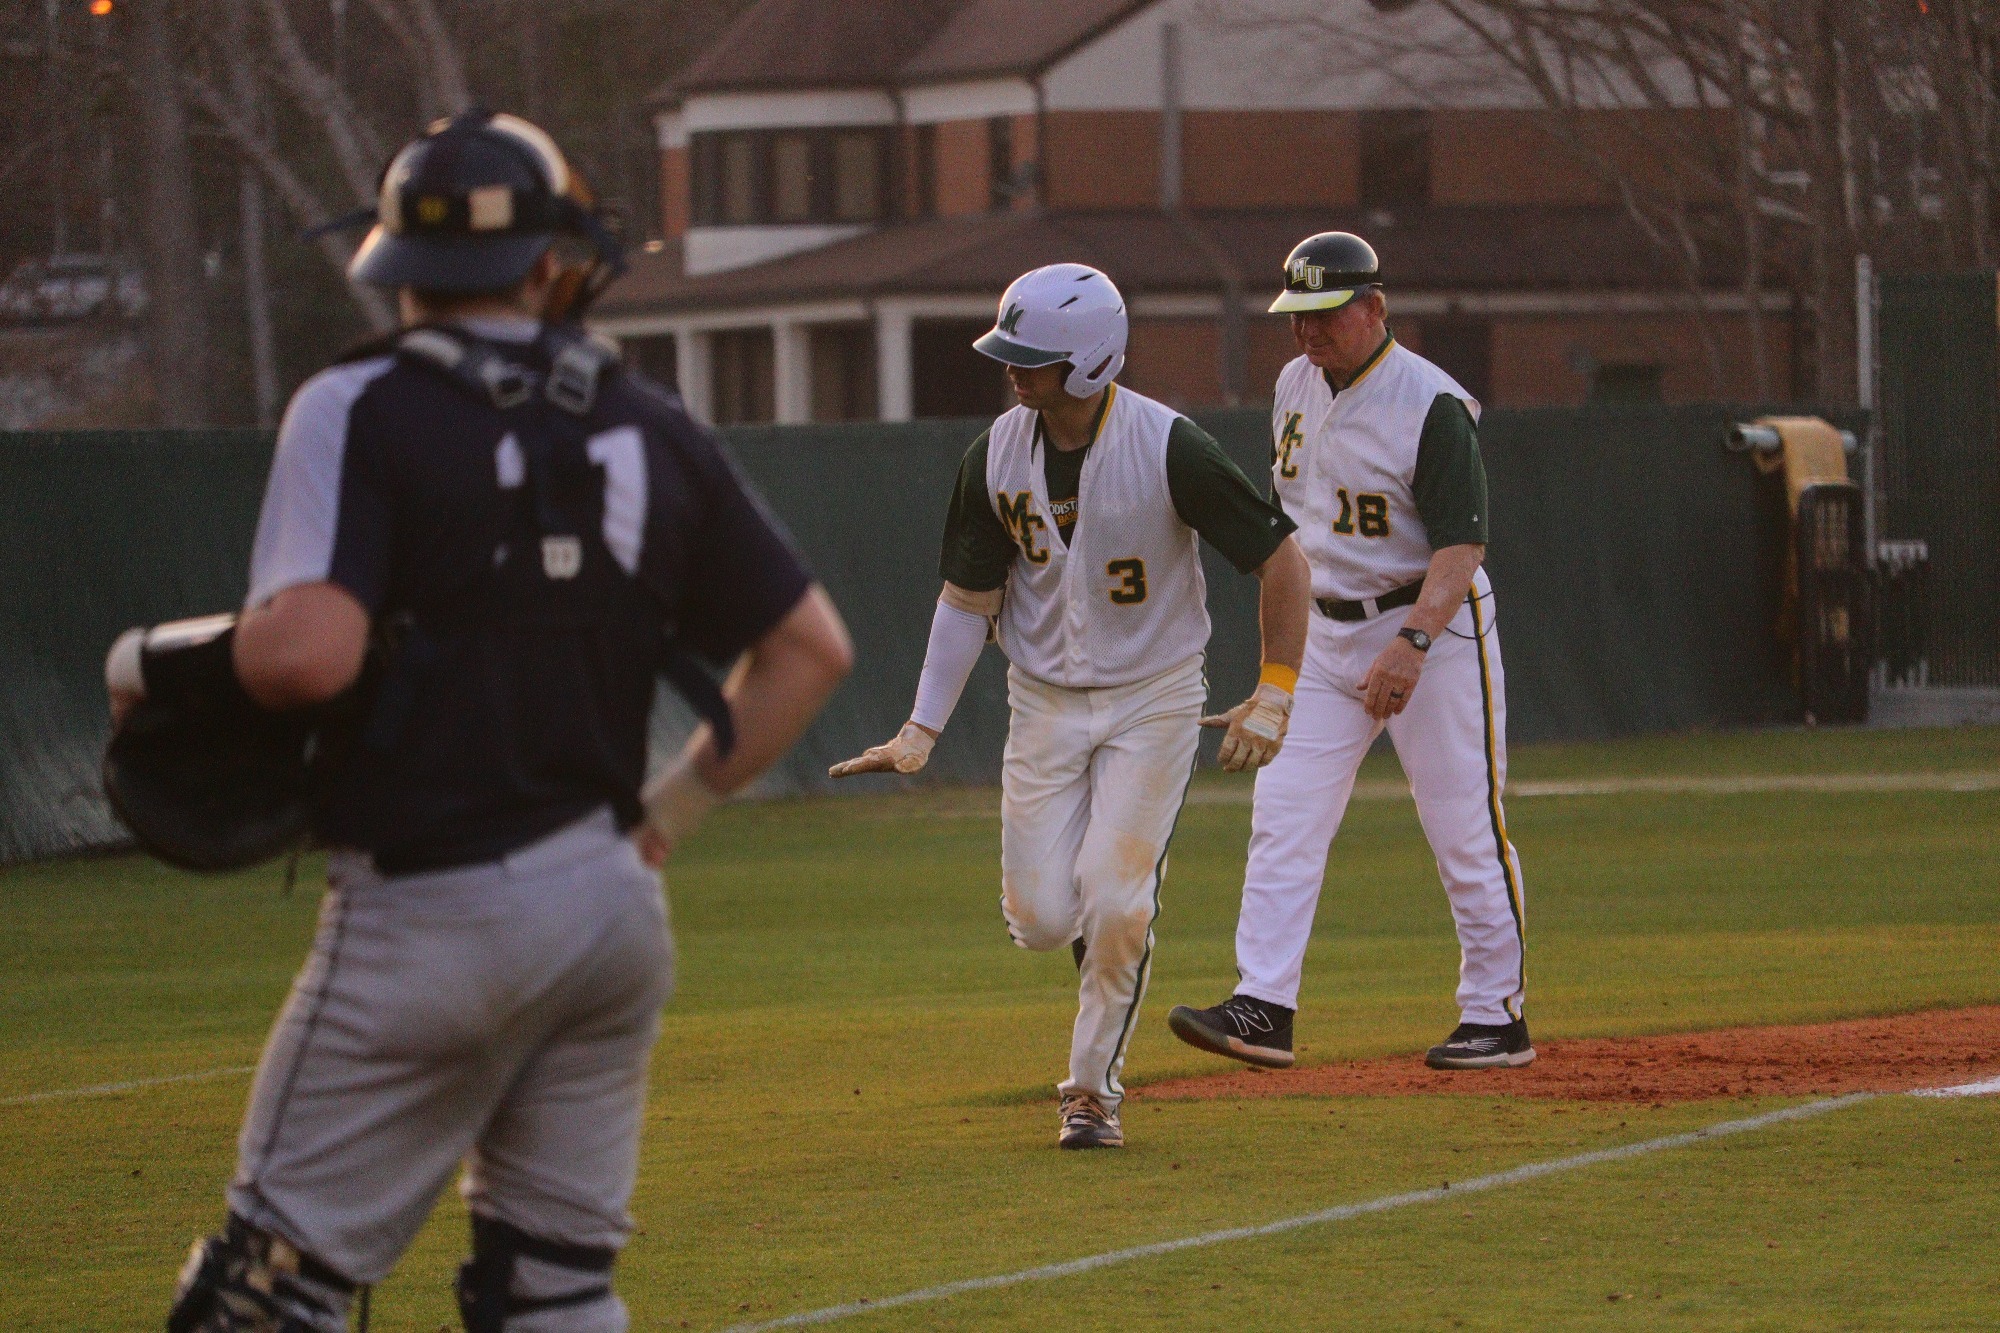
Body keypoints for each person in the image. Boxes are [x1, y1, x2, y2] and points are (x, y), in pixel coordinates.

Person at [111, 110, 852, 1333]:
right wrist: (664, 816)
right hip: (608, 902)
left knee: (263, 1294)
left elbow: (307, 654)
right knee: (552, 1291)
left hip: (429, 908)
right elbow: (810, 650)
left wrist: (148, 659)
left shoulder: (358, 401)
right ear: (550, 260)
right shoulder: (647, 418)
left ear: (395, 261)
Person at [830, 263, 1311, 1149]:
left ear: (1090, 360)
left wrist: (1276, 689)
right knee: (1046, 917)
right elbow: (966, 598)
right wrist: (920, 727)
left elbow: (1281, 560)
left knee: (1118, 902)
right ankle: (1093, 945)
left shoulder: (1170, 445)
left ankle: (1091, 1090)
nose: (1013, 368)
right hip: (1044, 698)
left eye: (1033, 354)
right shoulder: (997, 452)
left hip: (1154, 695)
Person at [1166, 232, 1532, 1074]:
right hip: (1327, 630)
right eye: (1297, 315)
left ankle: (1496, 1013)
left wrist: (1411, 642)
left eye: (1326, 313)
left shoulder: (1430, 404)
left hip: (1428, 629)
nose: (1307, 331)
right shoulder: (1296, 384)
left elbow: (1462, 546)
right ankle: (1263, 1005)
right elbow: (1290, 537)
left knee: (1463, 824)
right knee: (1283, 817)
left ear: (1374, 308)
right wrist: (1279, 669)